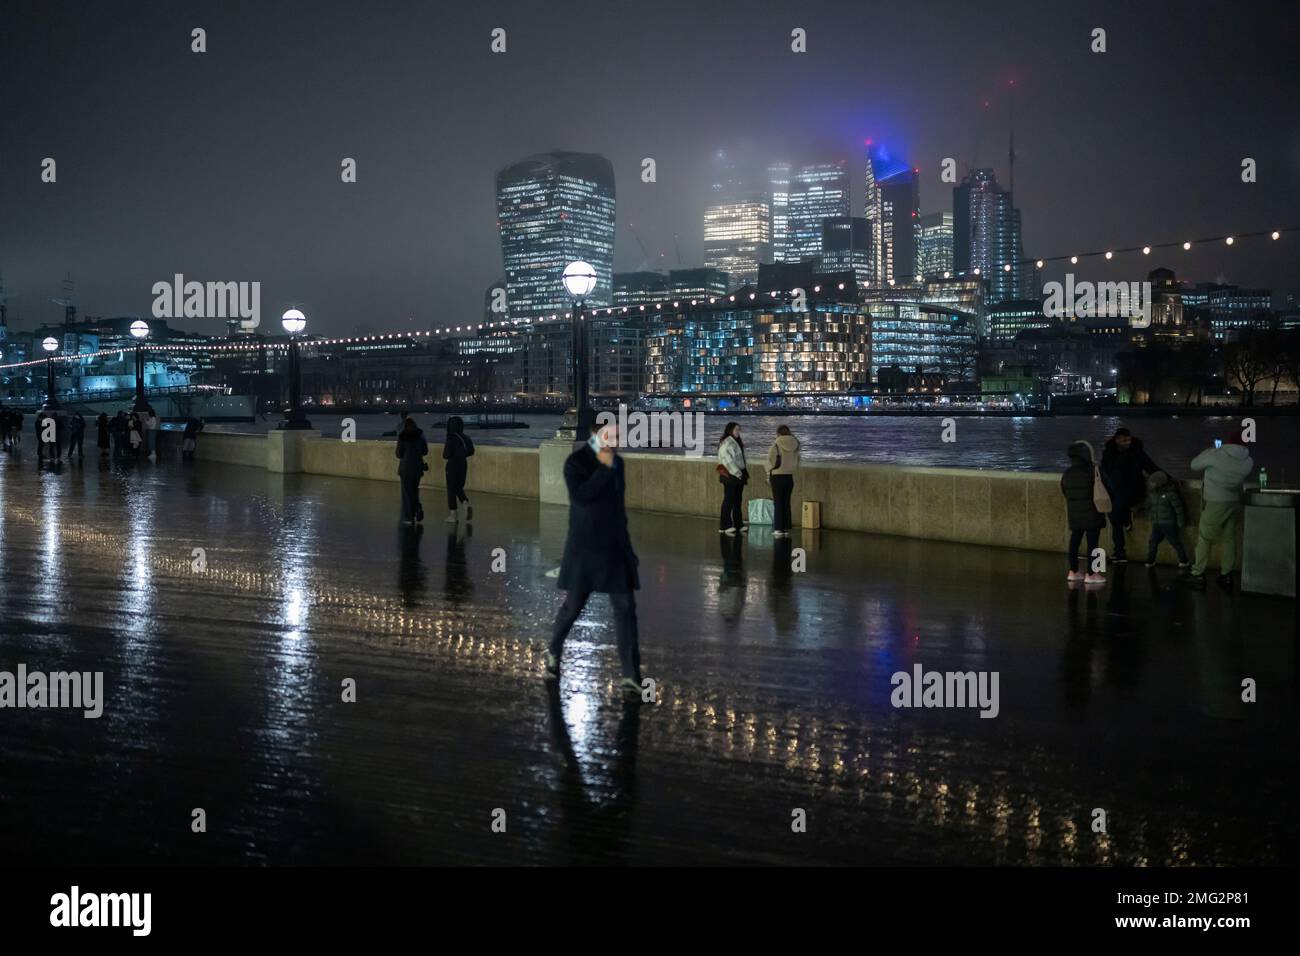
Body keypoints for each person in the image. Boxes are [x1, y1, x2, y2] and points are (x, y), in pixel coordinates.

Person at [544, 423, 645, 694]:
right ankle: (554, 650)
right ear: (595, 436)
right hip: (585, 550)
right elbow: (581, 498)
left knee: (625, 609)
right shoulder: (576, 463)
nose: (616, 443)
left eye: (618, 438)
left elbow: (619, 510)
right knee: (573, 607)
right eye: (611, 438)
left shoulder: (618, 463)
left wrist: (629, 550)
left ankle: (631, 675)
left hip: (614, 549)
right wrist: (604, 469)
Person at [1187, 432, 1255, 589]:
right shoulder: (1248, 461)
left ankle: (1197, 573)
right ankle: (1226, 575)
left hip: (1215, 501)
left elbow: (1194, 465)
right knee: (1229, 538)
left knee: (1205, 537)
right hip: (1234, 501)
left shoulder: (1216, 454)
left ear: (1228, 442)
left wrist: (1210, 450)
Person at [1099, 426, 1161, 563]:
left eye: (1129, 440)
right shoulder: (1108, 453)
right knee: (1115, 517)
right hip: (1115, 491)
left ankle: (1120, 552)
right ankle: (1120, 547)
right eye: (1124, 440)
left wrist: (1169, 478)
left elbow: (1151, 467)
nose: (1127, 443)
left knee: (1114, 516)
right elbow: (1104, 471)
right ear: (1117, 440)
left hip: (1131, 490)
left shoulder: (1136, 452)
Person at [1061, 441, 1107, 586]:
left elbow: (1064, 491)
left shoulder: (1067, 473)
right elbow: (1107, 487)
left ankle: (1073, 571)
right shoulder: (1093, 470)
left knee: (1074, 541)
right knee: (1094, 543)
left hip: (1074, 513)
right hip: (1093, 512)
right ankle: (1093, 574)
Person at [1143, 472, 1189, 568]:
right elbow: (1147, 505)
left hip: (1169, 524)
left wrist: (1180, 522)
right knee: (1153, 542)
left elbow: (1179, 509)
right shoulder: (1153, 494)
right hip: (1157, 523)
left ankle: (1184, 560)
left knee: (1174, 542)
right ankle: (1150, 560)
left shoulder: (1171, 494)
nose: (1151, 485)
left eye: (1153, 483)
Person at [766, 425, 800, 537]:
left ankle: (778, 528)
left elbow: (770, 461)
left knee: (778, 503)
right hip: (789, 477)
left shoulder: (776, 444)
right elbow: (798, 460)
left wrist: (768, 471)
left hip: (777, 476)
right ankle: (785, 527)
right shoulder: (795, 444)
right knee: (786, 502)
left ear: (779, 434)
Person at [395, 416, 429, 525]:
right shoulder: (420, 435)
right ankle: (417, 509)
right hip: (418, 467)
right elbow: (425, 451)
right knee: (414, 489)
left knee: (408, 493)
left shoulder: (402, 436)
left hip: (406, 468)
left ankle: (410, 516)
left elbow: (398, 454)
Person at [442, 415, 475, 523]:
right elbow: (471, 451)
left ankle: (453, 515)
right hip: (463, 464)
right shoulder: (466, 437)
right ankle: (466, 504)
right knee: (458, 487)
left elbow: (446, 454)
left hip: (452, 465)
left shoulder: (451, 437)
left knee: (451, 489)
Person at [717, 422, 748, 536]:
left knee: (737, 500)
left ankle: (738, 524)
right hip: (731, 475)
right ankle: (724, 525)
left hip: (736, 474)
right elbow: (727, 460)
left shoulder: (735, 441)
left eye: (739, 430)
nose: (739, 432)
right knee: (729, 500)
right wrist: (738, 473)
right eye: (736, 430)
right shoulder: (727, 442)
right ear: (730, 430)